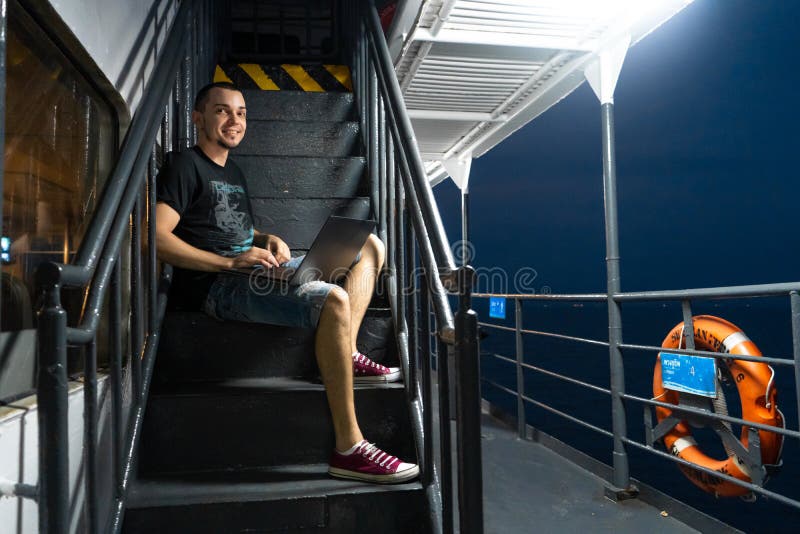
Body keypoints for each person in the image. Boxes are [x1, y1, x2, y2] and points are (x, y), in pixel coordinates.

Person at [154, 82, 418, 483]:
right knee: (333, 301)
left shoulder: (232, 170)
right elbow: (156, 238)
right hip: (218, 285)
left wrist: (263, 238)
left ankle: (344, 352)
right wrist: (229, 262)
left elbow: (225, 224)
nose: (234, 120)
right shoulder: (182, 165)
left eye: (241, 112)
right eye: (222, 111)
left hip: (252, 267)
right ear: (198, 117)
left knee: (371, 244)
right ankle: (349, 449)